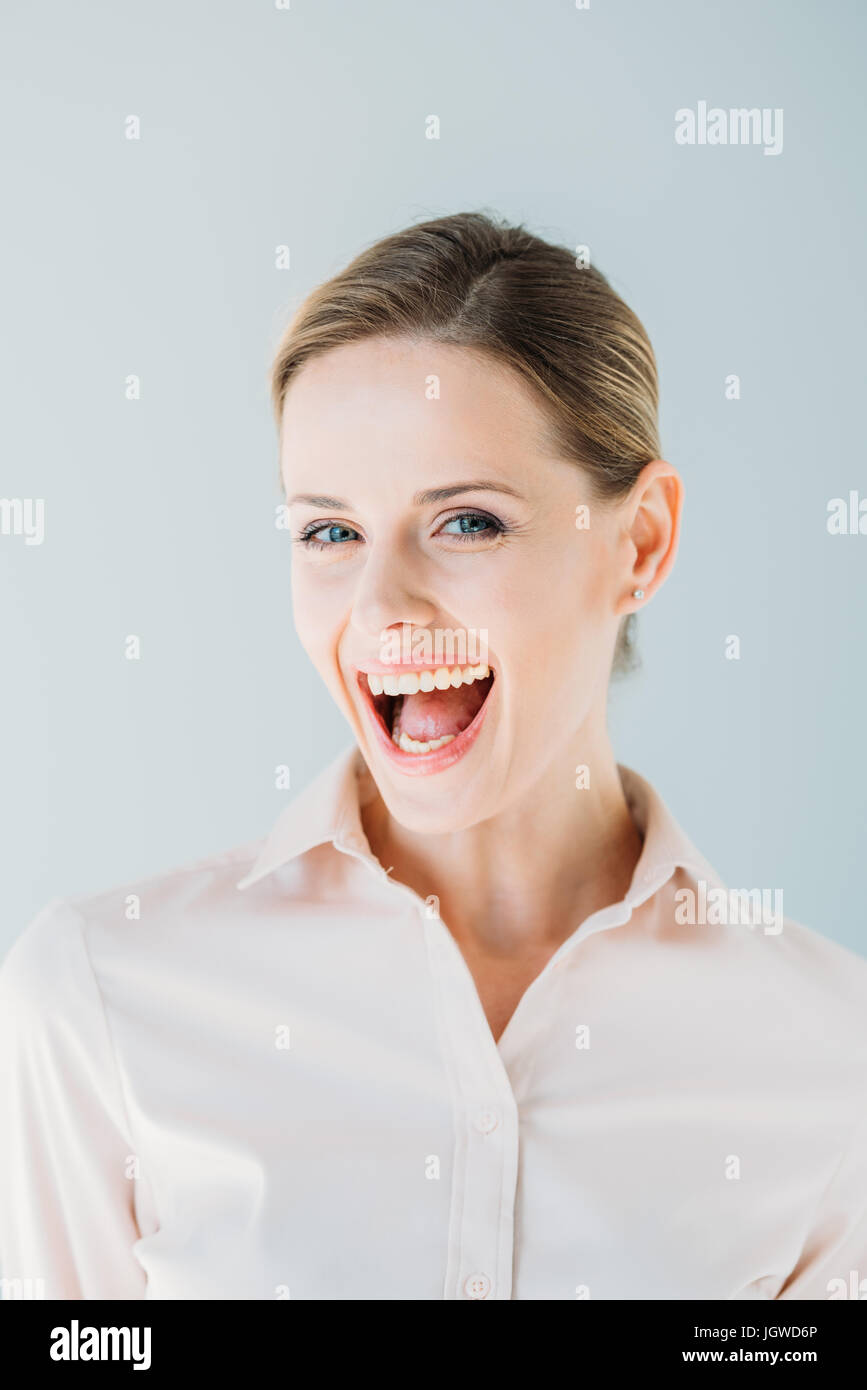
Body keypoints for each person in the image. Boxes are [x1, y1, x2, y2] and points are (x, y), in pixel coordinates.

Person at [1, 212, 865, 1301]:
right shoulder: (95, 1002)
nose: (379, 605)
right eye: (330, 533)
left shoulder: (833, 1061)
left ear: (639, 542)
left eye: (465, 524)